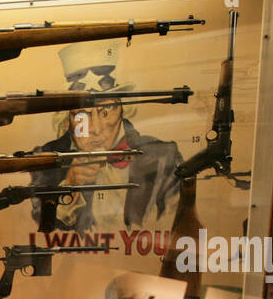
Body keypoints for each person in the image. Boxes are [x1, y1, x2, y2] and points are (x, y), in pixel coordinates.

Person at [29, 42, 181, 232]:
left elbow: (172, 224)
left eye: (107, 109)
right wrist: (69, 186)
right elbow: (42, 227)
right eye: (82, 115)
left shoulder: (162, 156)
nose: (96, 129)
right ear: (67, 120)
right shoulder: (45, 159)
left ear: (123, 108)